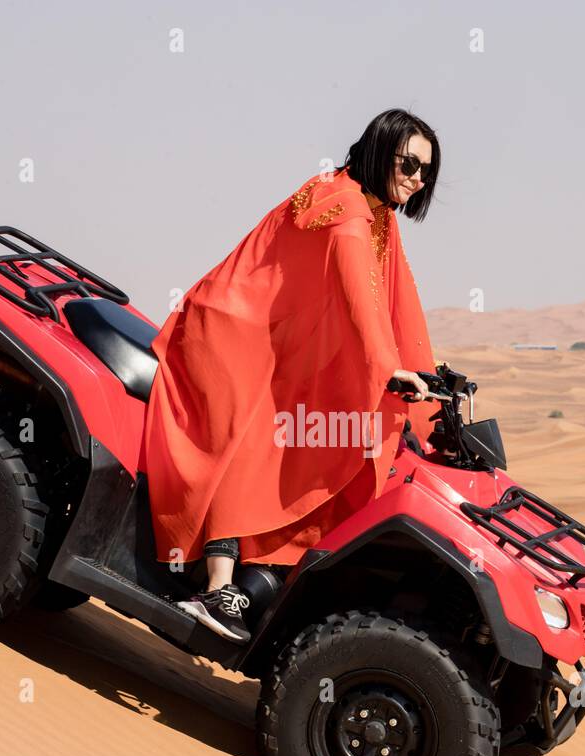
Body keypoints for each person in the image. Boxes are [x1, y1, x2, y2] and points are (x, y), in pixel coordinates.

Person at [143, 108, 446, 642]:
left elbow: (394, 302)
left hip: (276, 338)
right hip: (231, 329)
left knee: (319, 425)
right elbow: (359, 300)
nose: (418, 178)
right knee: (257, 436)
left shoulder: (377, 216)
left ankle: (257, 580)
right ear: (380, 153)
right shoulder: (349, 212)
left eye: (427, 170)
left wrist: (425, 370)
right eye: (409, 163)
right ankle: (217, 588)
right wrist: (386, 367)